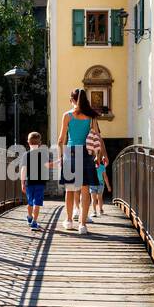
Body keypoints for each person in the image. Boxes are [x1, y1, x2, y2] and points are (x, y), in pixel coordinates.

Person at [57, 88, 106, 235]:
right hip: (86, 153)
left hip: (71, 153)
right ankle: (82, 225)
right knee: (85, 190)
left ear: (72, 100)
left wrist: (60, 157)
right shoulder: (91, 117)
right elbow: (97, 137)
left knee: (70, 190)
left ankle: (69, 221)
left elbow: (60, 140)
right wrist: (98, 155)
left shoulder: (67, 115)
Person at [20, 131, 46, 231]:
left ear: (28, 142)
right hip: (40, 183)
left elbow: (23, 170)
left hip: (29, 183)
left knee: (30, 202)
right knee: (37, 203)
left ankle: (30, 217)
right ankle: (34, 222)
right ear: (40, 143)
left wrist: (22, 183)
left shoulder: (26, 155)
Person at [89, 156, 110, 220]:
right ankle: (100, 210)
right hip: (100, 184)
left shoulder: (91, 167)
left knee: (93, 199)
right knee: (100, 198)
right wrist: (108, 186)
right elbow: (105, 177)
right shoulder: (102, 167)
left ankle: (94, 211)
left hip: (93, 184)